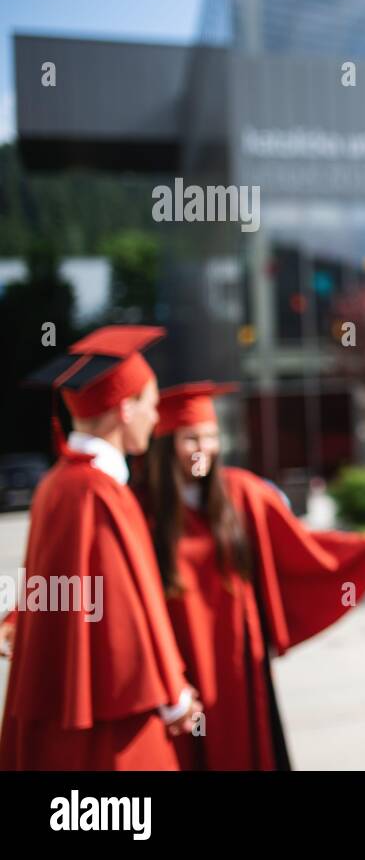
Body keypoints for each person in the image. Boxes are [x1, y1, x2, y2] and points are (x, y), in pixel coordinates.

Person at [134, 381, 365, 770]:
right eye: (190, 438)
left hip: (237, 660)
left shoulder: (241, 494)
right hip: (178, 658)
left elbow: (304, 546)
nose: (203, 449)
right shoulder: (141, 508)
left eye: (210, 437)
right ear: (163, 445)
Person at [0, 326, 201, 769]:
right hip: (112, 715)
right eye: (150, 405)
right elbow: (126, 610)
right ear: (125, 408)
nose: (156, 418)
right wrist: (173, 694)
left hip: (62, 700)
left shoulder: (57, 483)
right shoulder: (100, 492)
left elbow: (51, 582)